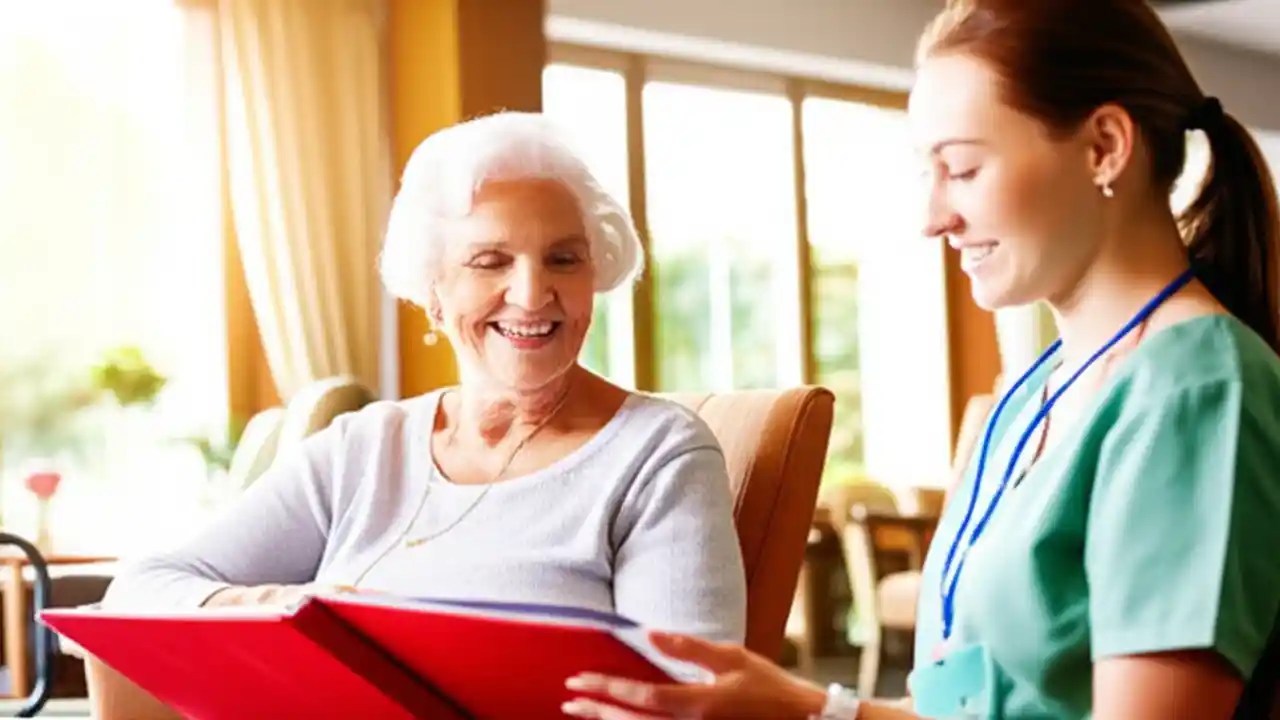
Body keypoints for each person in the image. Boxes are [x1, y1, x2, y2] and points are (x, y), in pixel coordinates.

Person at [562, 0, 1280, 717]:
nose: (933, 216)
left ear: (1104, 147)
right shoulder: (1037, 393)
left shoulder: (1196, 385)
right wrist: (807, 708)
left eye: (962, 169)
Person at [102, 111, 748, 645]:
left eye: (564, 259)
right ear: (434, 293)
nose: (531, 294)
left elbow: (692, 688)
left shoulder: (659, 452)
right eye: (490, 261)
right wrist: (298, 606)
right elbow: (143, 586)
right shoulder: (362, 448)